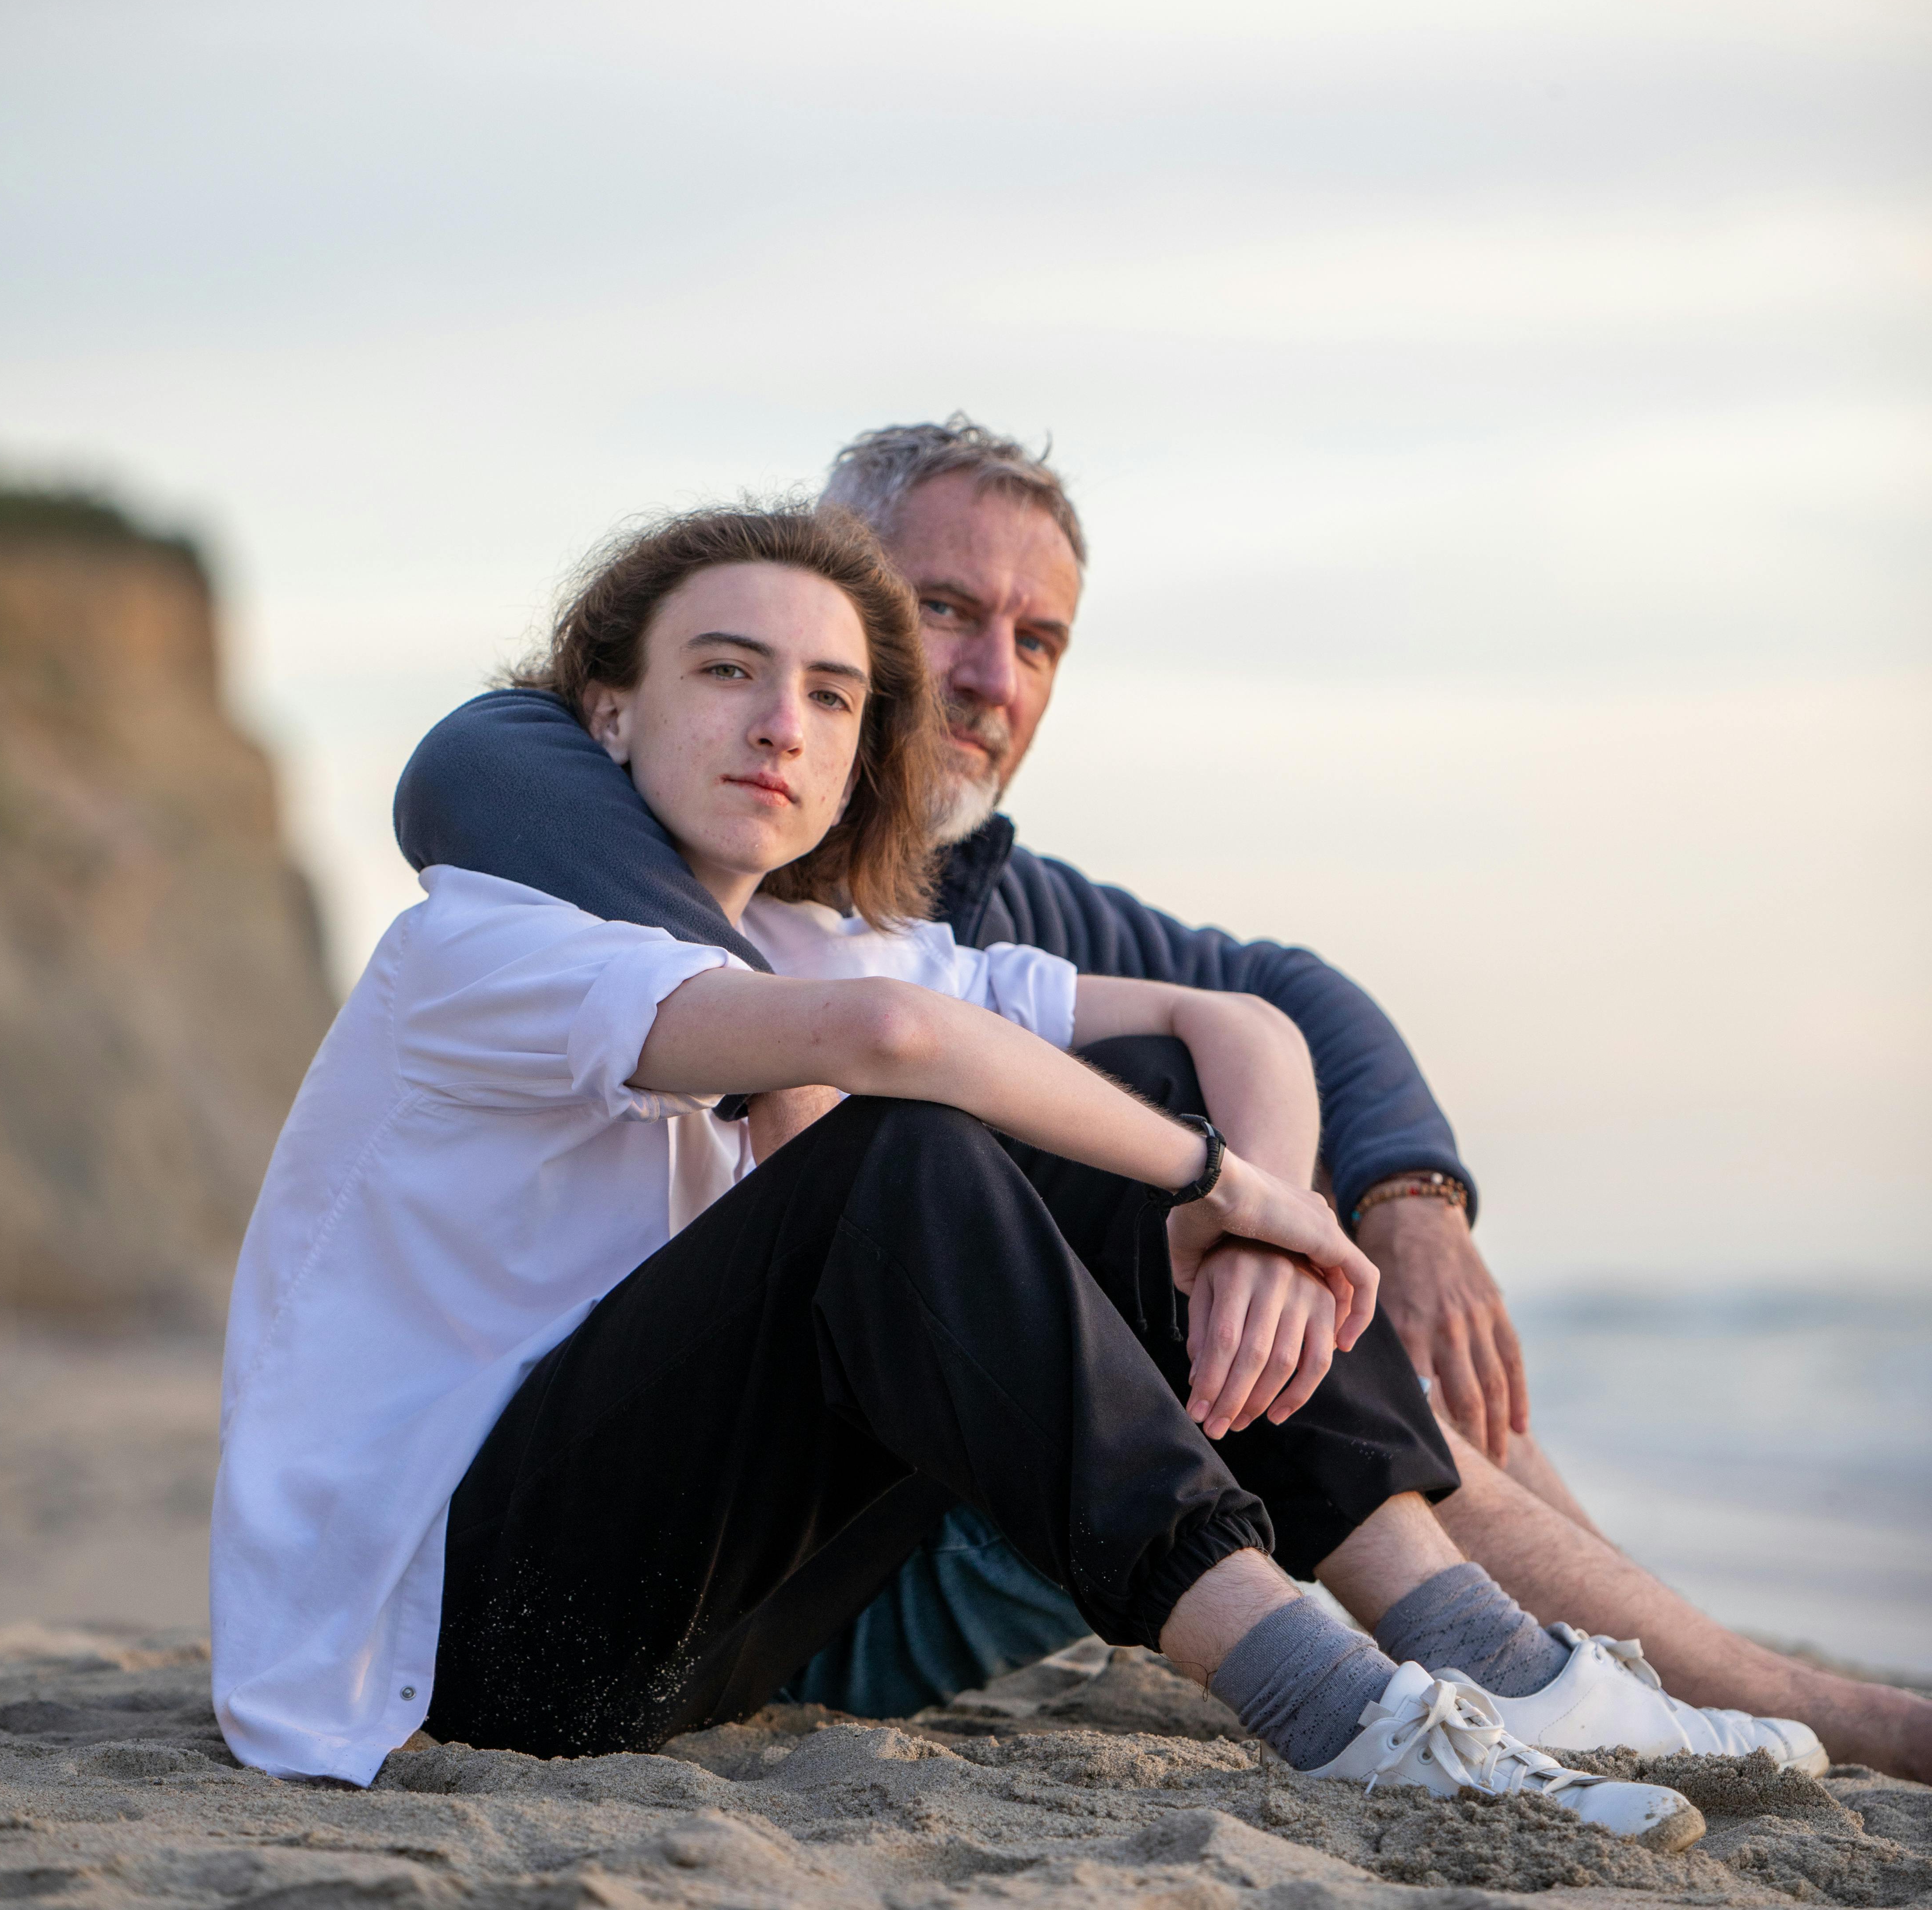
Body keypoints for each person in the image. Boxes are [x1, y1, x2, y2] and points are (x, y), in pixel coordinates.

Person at [214, 501, 1795, 1834]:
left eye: (833, 697)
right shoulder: (492, 936)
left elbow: (1224, 1020)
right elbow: (896, 1042)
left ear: (856, 759)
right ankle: (1334, 1706)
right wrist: (1215, 1178)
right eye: (727, 670)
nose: (783, 723)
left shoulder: (827, 938)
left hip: (701, 1636)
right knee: (931, 1143)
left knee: (1121, 1110)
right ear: (607, 712)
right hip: (442, 1644)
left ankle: (1495, 1658)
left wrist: (1248, 1225)